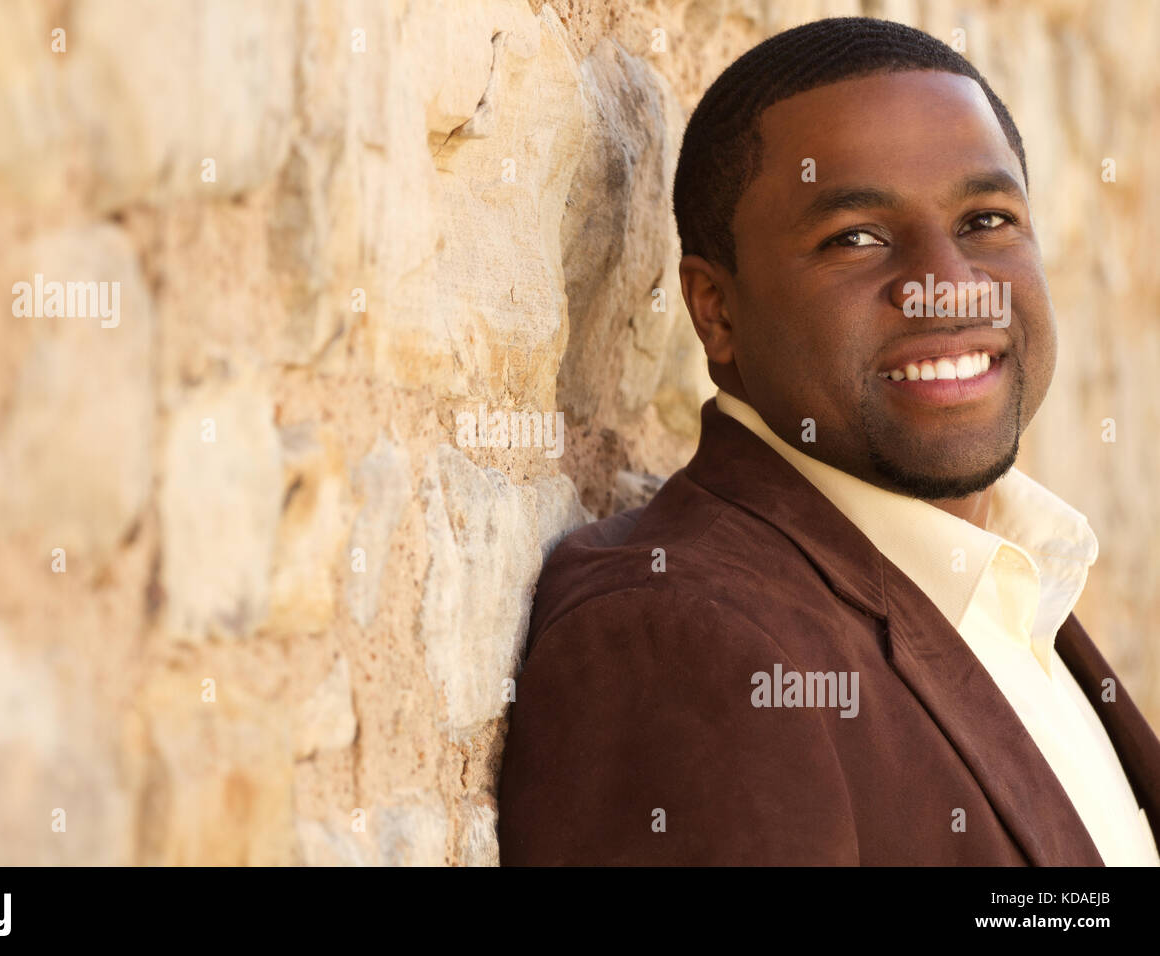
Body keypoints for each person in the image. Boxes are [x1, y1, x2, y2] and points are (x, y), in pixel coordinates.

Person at [496, 16, 1160, 865]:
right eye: (857, 238)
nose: (946, 290)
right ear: (717, 311)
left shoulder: (1013, 582)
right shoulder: (682, 637)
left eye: (986, 221)